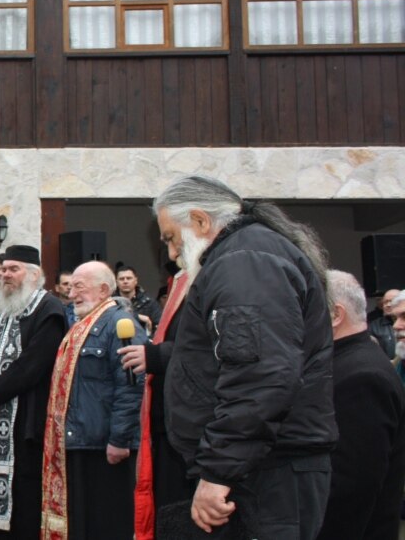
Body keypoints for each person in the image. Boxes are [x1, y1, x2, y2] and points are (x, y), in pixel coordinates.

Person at [153, 175, 336, 538]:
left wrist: (218, 473)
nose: (172, 255)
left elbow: (260, 376)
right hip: (256, 467)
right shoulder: (246, 255)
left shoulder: (244, 262)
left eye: (171, 238)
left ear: (201, 220)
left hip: (263, 474)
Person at [0, 245, 67, 539]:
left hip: (26, 424)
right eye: (3, 270)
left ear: (34, 275)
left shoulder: (48, 309)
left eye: (13, 269)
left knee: (22, 497)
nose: (5, 275)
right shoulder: (3, 312)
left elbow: (33, 364)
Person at [40, 261, 145, 540]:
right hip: (79, 442)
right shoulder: (82, 324)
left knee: (107, 525)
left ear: (102, 290)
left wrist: (120, 439)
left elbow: (131, 388)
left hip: (105, 446)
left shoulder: (120, 324)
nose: (71, 293)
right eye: (70, 286)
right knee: (83, 525)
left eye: (79, 287)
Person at [316, 270, 405, 540]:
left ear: (336, 315)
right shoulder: (350, 363)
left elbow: (350, 489)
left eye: (305, 310)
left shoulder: (362, 376)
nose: (396, 326)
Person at [119, 266, 194, 540]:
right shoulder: (183, 281)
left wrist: (155, 355)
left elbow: (200, 347)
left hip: (189, 426)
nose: (171, 252)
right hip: (166, 422)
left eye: (173, 240)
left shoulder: (205, 279)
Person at [114, 264, 162, 334]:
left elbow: (160, 326)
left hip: (143, 342)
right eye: (121, 279)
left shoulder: (149, 302)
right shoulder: (110, 302)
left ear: (136, 280)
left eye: (129, 278)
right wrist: (137, 317)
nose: (125, 281)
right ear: (116, 282)